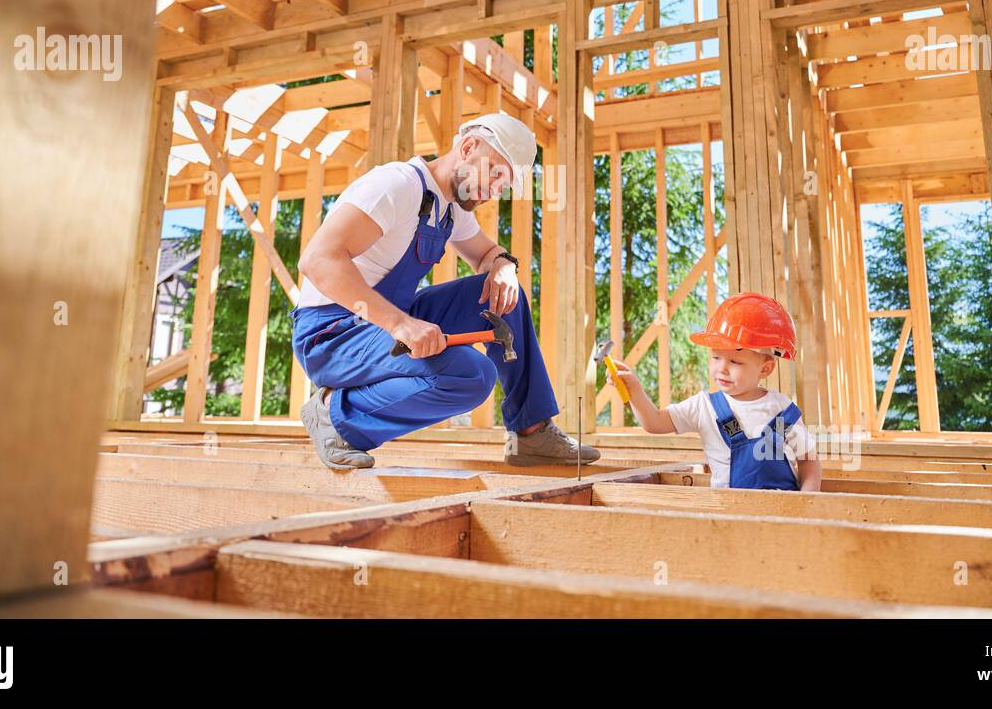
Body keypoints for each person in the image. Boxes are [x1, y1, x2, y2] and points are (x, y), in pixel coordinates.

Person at [291, 111, 600, 472]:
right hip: (333, 335)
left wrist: (504, 266)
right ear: (468, 147)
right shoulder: (397, 185)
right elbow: (318, 260)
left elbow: (486, 254)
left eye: (504, 185)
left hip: (386, 323)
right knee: (472, 375)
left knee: (503, 298)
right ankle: (337, 416)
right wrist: (400, 325)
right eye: (496, 174)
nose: (495, 190)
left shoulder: (449, 209)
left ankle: (532, 432)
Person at [610, 293, 821, 491]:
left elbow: (808, 460)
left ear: (765, 368)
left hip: (782, 516)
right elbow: (654, 422)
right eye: (715, 357)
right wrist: (634, 390)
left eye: (735, 361)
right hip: (727, 515)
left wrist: (806, 502)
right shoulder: (704, 407)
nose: (721, 368)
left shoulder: (781, 410)